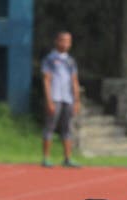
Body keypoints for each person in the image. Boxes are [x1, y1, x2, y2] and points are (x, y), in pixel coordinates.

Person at [41, 31, 81, 168]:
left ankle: (67, 158)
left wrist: (76, 101)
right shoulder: (50, 59)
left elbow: (74, 81)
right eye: (63, 40)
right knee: (50, 127)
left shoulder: (71, 61)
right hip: (55, 97)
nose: (65, 44)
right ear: (57, 41)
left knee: (67, 128)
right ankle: (46, 157)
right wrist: (49, 100)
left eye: (68, 41)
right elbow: (46, 80)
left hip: (67, 98)